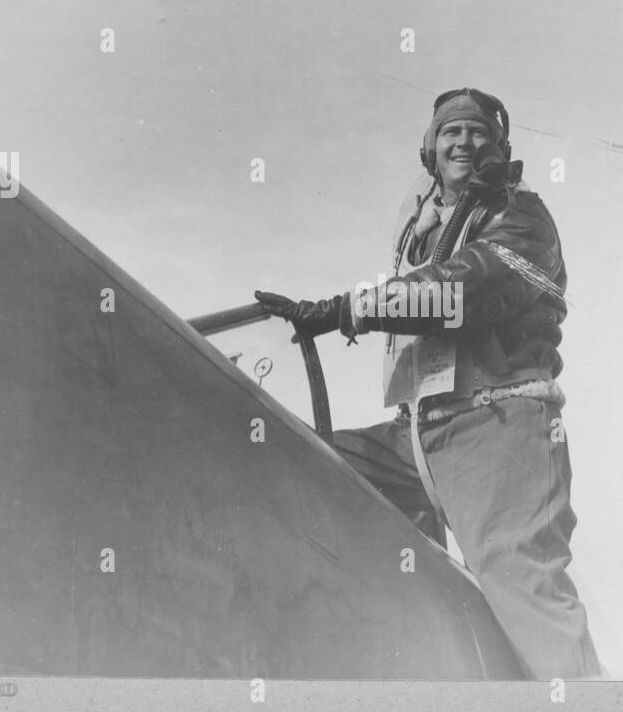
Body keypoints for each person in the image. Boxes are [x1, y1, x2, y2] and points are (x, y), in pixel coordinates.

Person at [255, 88, 602, 680]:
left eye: (477, 133)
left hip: (499, 431)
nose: (464, 141)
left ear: (499, 148)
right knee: (298, 465)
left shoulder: (521, 216)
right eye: (451, 132)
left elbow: (465, 287)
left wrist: (345, 309)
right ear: (430, 149)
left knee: (526, 591)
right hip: (416, 434)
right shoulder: (422, 231)